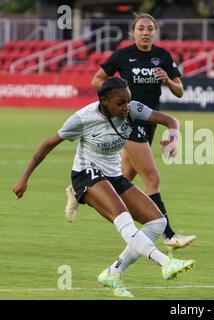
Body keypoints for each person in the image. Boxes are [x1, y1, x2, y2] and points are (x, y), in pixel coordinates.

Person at [13, 77, 196, 298]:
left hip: (113, 175)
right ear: (103, 101)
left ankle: (113, 273)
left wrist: (173, 138)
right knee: (124, 218)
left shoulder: (133, 109)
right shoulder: (82, 118)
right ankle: (164, 262)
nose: (126, 107)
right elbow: (47, 145)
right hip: (85, 175)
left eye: (128, 101)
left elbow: (169, 120)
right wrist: (24, 178)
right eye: (120, 103)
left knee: (157, 222)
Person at [64, 13, 196, 250]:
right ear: (133, 32)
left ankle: (77, 190)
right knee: (152, 178)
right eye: (141, 28)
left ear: (155, 32)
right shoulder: (123, 56)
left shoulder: (162, 56)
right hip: (128, 122)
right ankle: (168, 235)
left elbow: (180, 91)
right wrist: (117, 95)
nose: (145, 32)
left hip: (150, 121)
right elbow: (97, 80)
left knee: (122, 179)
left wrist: (168, 80)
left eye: (150, 29)